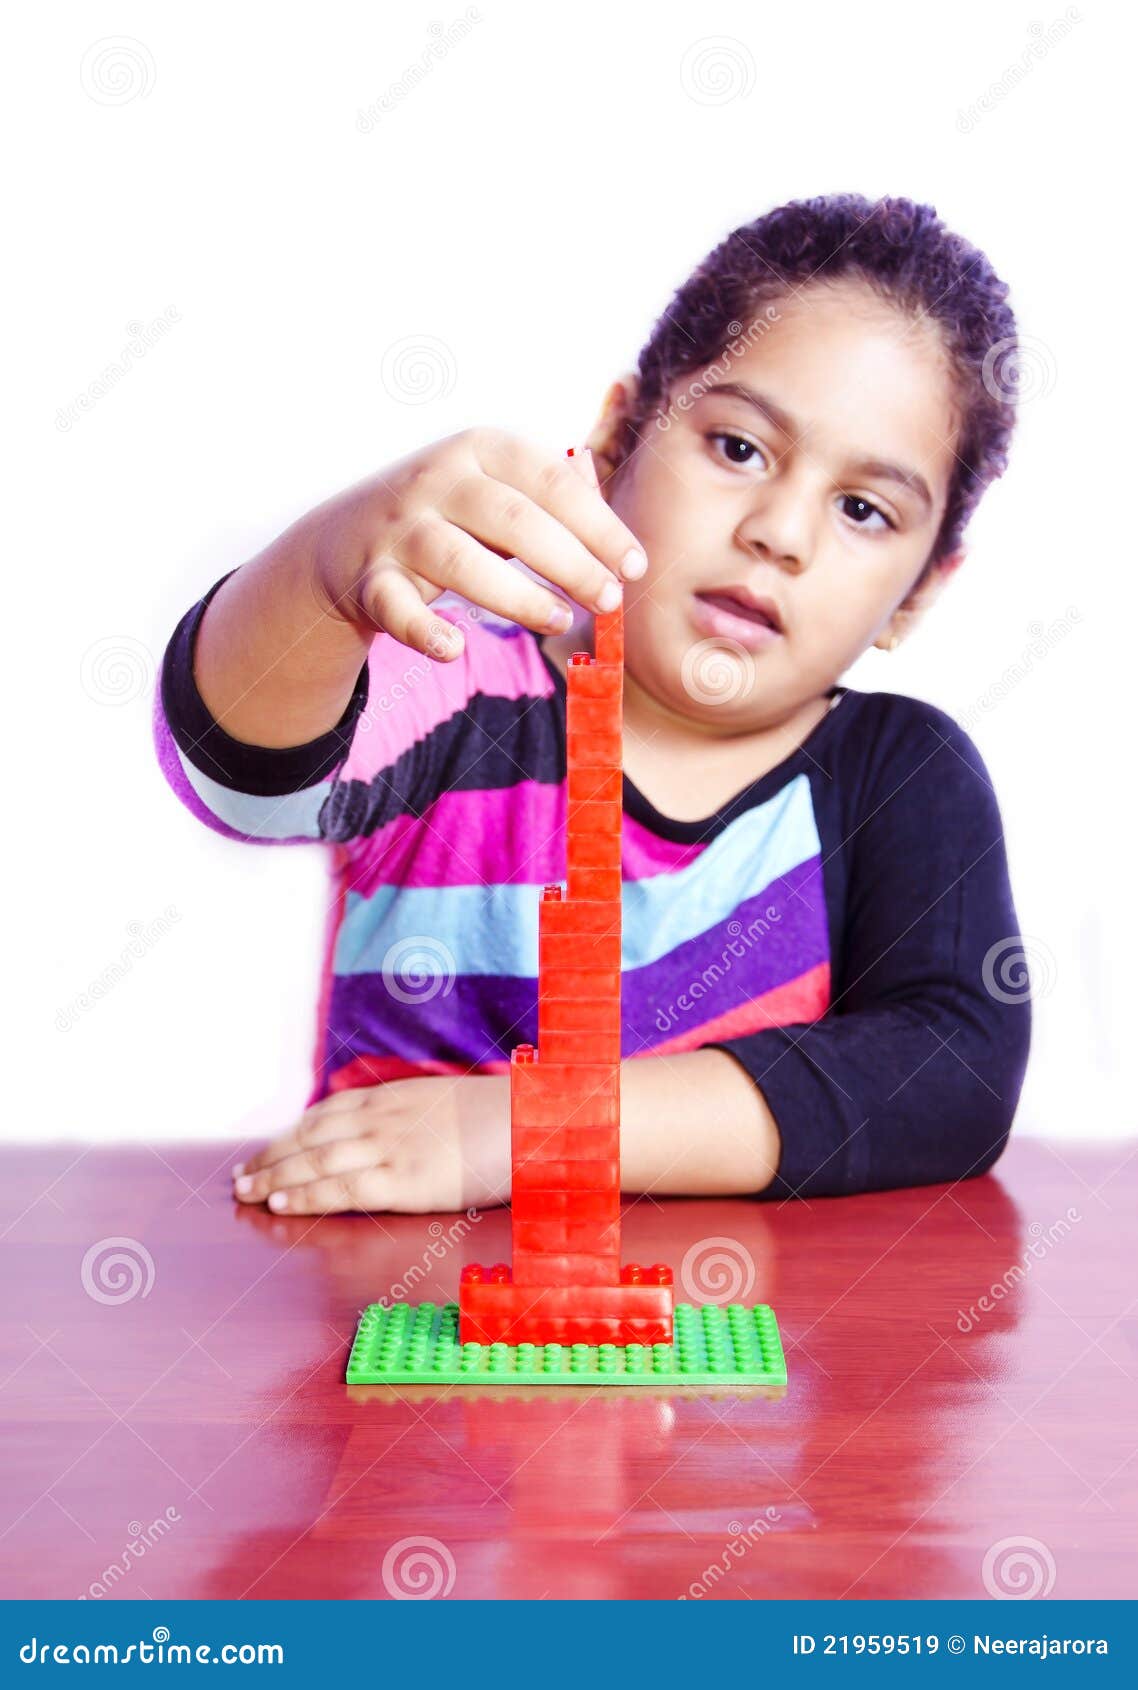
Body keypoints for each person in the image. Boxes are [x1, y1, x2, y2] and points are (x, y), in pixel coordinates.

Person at [154, 193, 1031, 1215]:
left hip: (728, 1348)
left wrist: (536, 1126)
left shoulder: (897, 775)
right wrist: (325, 572)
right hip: (391, 1317)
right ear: (617, 439)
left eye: (862, 510)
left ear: (919, 591)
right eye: (738, 448)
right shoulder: (453, 679)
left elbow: (951, 1073)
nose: (781, 531)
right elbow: (239, 770)